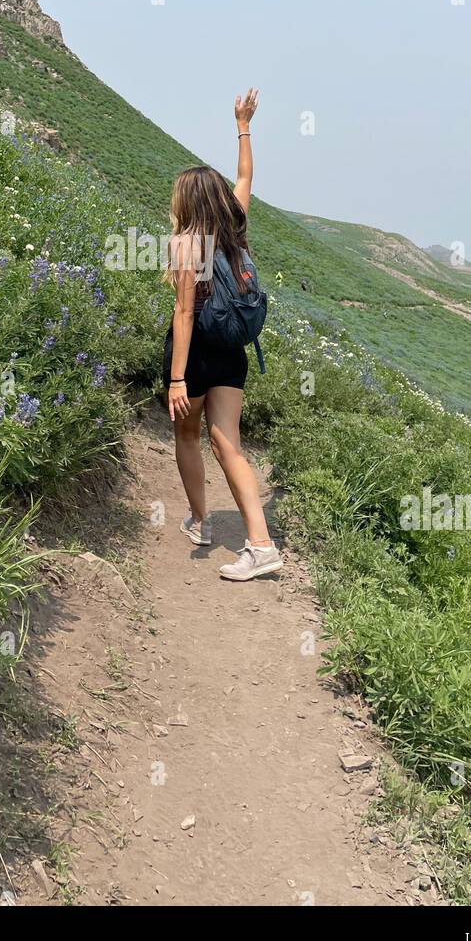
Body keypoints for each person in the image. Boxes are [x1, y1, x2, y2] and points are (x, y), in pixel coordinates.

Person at [163, 89, 282, 582]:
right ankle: (259, 539)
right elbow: (246, 176)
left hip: (194, 357)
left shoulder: (187, 241)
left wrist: (175, 378)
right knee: (228, 442)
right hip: (233, 350)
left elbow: (184, 313)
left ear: (186, 201)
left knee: (188, 435)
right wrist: (243, 125)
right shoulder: (235, 224)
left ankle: (206, 523)